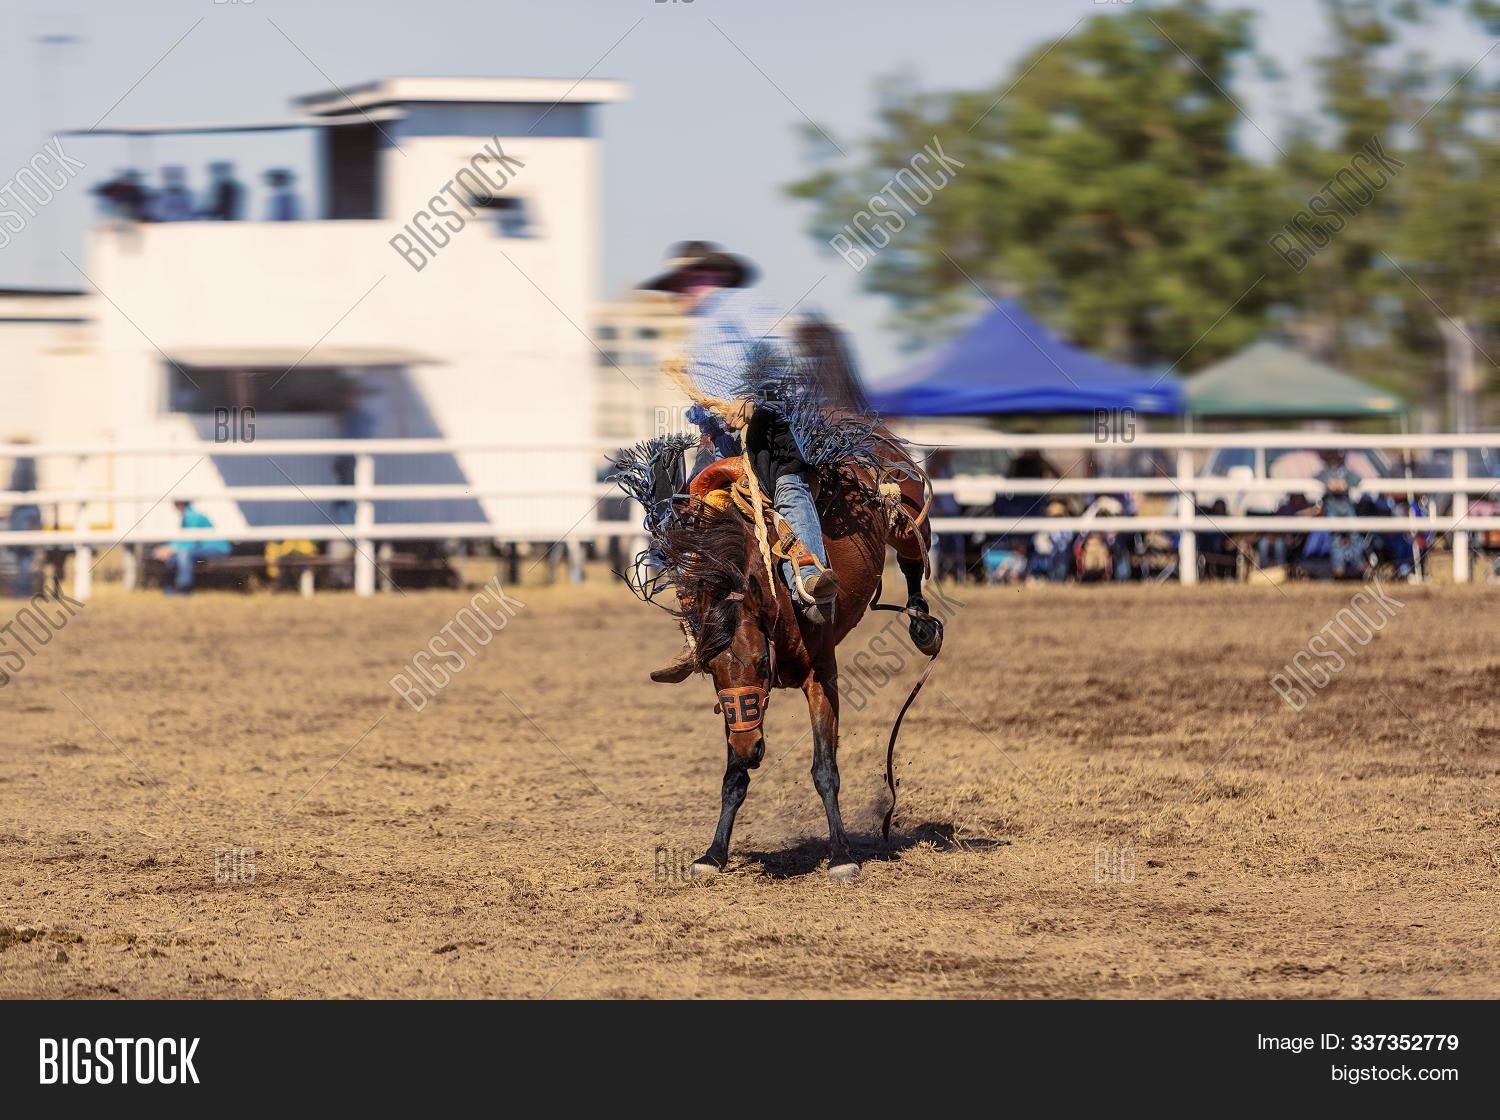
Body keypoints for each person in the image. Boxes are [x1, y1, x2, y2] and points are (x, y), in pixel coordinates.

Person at [639, 241, 840, 684]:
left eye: (685, 281)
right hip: (719, 438)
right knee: (683, 517)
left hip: (765, 424)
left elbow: (781, 354)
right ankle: (697, 631)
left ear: (709, 275)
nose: (680, 291)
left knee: (786, 483)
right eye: (676, 285)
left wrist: (753, 398)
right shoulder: (697, 329)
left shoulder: (743, 305)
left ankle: (811, 578)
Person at [153, 499, 230, 595]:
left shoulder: (193, 516)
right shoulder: (187, 517)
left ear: (180, 505)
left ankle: (184, 590)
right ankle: (169, 590)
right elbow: (183, 539)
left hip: (216, 548)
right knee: (173, 556)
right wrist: (167, 548)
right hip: (200, 548)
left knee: (184, 554)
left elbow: (191, 542)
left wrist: (171, 549)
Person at [1314, 449, 1365, 578]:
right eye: (1331, 455)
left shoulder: (1345, 471)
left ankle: (1358, 562)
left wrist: (1343, 485)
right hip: (1332, 507)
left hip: (1347, 507)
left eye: (1336, 455)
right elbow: (1316, 480)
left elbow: (1357, 480)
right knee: (1336, 537)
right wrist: (1329, 485)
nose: (1333, 458)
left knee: (1354, 534)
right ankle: (1339, 566)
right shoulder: (1325, 472)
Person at [6, 442, 42, 598]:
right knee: (26, 557)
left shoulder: (19, 474)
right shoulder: (31, 475)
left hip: (21, 515)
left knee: (23, 557)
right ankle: (23, 590)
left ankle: (22, 591)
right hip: (28, 515)